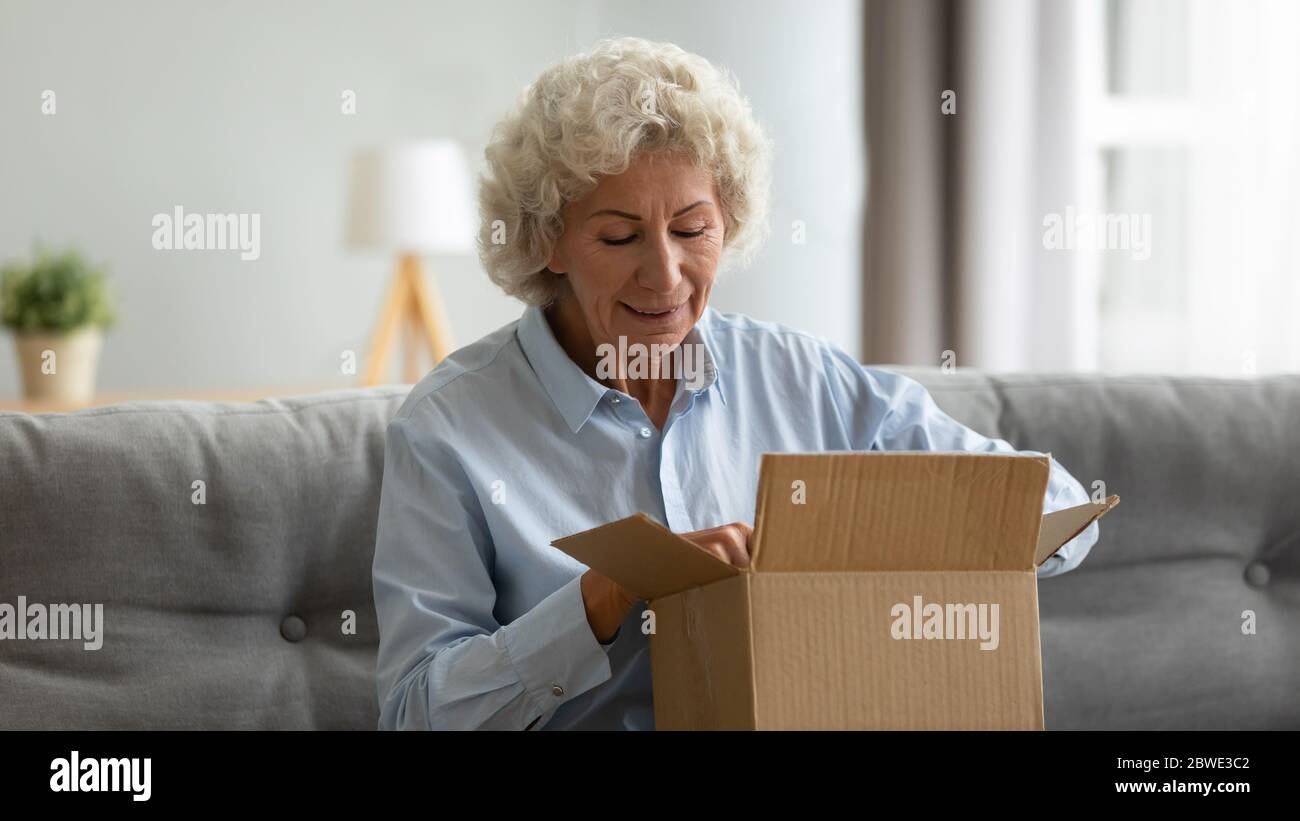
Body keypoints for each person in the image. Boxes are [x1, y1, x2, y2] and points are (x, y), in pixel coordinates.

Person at [372, 36, 1099, 731]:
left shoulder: (801, 378)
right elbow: (414, 713)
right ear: (547, 240)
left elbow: (1060, 513)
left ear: (730, 219)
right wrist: (596, 601)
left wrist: (869, 534)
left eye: (693, 229)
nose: (665, 276)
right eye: (620, 238)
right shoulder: (449, 427)